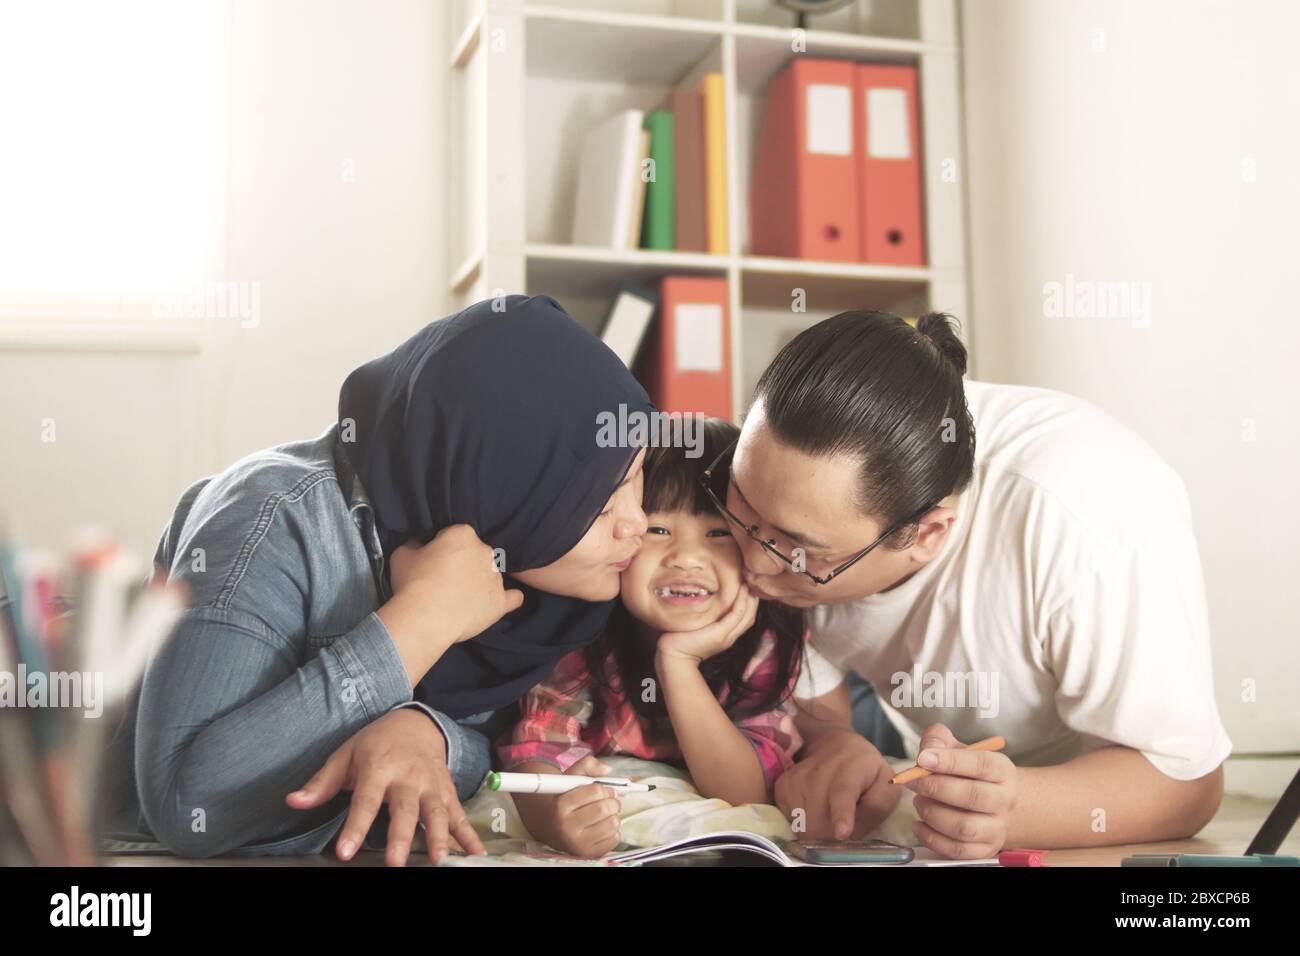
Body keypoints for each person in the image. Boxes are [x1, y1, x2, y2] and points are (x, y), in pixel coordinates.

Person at [104, 294, 653, 865]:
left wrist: (426, 732)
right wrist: (416, 627)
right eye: (599, 504)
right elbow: (184, 806)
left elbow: (495, 741)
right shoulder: (268, 520)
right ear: (500, 487)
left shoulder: (540, 582)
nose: (637, 524)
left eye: (636, 476)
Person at [723, 310, 1229, 858]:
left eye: (798, 552)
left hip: (1058, 771)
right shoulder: (803, 475)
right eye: (741, 506)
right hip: (908, 717)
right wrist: (835, 744)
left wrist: (1011, 809)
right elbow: (816, 700)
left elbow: (1185, 783)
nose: (749, 561)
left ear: (926, 534)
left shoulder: (1089, 514)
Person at [496, 419, 805, 859]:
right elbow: (537, 749)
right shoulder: (584, 635)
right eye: (658, 530)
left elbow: (746, 791)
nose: (686, 558)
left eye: (719, 533)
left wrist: (677, 663)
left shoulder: (764, 641)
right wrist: (552, 818)